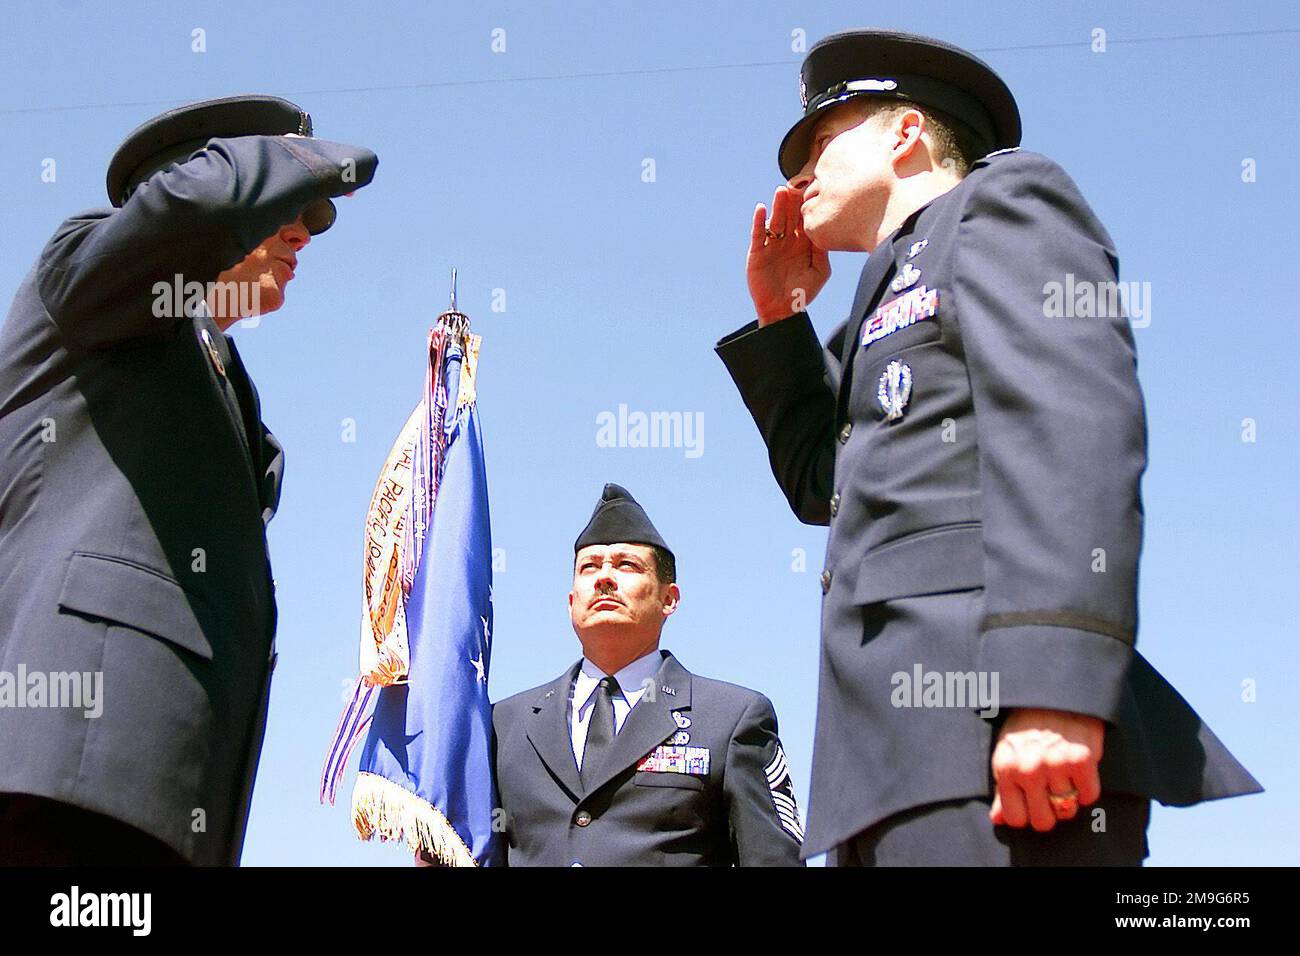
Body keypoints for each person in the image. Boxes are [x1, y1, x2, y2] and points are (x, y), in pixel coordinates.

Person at [715, 30, 1261, 865]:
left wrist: (1051, 688)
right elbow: (821, 489)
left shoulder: (1002, 203)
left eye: (822, 144)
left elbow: (1069, 424)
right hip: (884, 767)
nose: (798, 177)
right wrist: (785, 318)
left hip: (995, 737)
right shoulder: (874, 303)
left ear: (904, 135)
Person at [0, 95, 377, 865]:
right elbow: (196, 206)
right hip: (66, 774)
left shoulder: (220, 376)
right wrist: (308, 156)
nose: (303, 232)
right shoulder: (86, 275)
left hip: (164, 797)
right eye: (285, 208)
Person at [490, 484, 805, 866]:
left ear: (669, 598)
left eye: (626, 565)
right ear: (571, 601)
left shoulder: (731, 718)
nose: (604, 578)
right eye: (588, 567)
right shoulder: (506, 723)